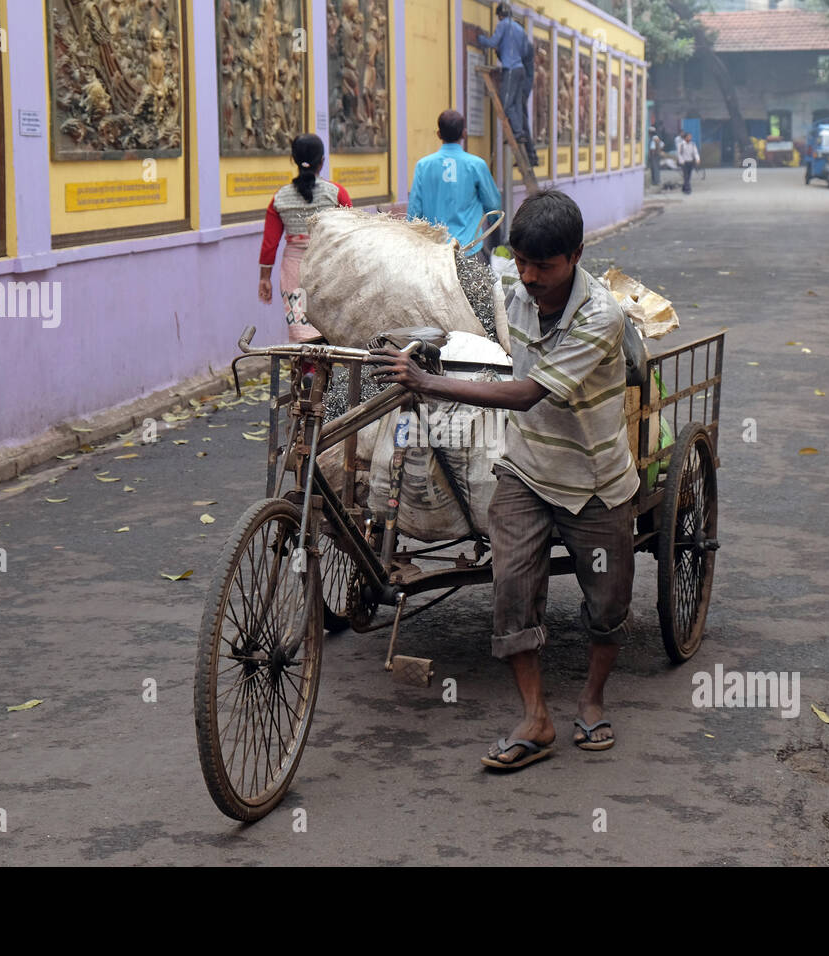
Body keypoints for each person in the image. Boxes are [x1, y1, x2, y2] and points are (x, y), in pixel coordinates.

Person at [373, 190, 636, 770]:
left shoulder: (602, 316)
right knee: (511, 589)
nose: (529, 276)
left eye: (544, 266)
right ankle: (536, 717)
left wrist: (428, 383)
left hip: (595, 480)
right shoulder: (514, 294)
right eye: (520, 262)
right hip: (524, 470)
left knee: (607, 606)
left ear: (576, 256)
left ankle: (591, 700)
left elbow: (525, 392)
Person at [258, 133, 352, 342]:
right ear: (322, 162)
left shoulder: (280, 198)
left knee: (300, 324)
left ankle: (306, 370)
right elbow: (352, 235)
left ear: (293, 160)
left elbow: (269, 244)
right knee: (329, 323)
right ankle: (323, 369)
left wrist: (264, 278)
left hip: (294, 269)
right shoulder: (336, 193)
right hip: (329, 267)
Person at [408, 110, 503, 264]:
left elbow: (414, 213)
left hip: (434, 253)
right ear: (464, 134)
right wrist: (495, 223)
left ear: (438, 134)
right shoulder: (476, 165)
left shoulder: (423, 166)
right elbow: (493, 206)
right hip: (468, 250)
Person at [478, 2, 539, 167]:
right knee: (517, 105)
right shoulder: (520, 30)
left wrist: (481, 39)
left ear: (500, 15)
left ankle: (518, 133)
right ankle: (523, 141)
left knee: (505, 103)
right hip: (520, 70)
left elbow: (493, 42)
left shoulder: (503, 25)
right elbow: (525, 51)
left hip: (511, 69)